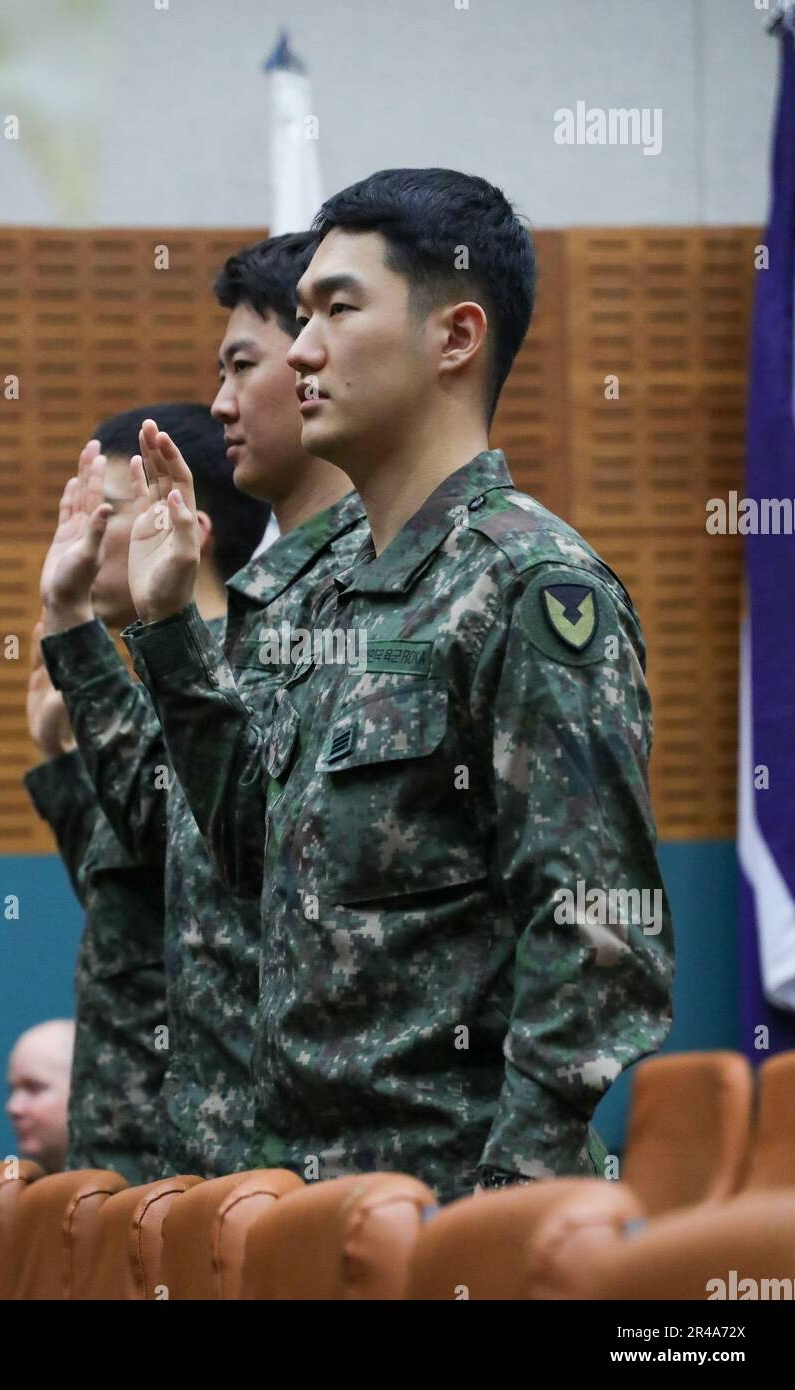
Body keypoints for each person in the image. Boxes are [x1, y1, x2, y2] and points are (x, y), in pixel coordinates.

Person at [122, 168, 675, 1200]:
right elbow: (251, 854)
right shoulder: (325, 590)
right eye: (301, 316)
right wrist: (165, 632)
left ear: (454, 337)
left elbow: (601, 938)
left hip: (442, 1220)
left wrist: (498, 1215)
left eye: (337, 308)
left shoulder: (527, 586)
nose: (301, 350)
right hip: (302, 1207)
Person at [38, 233, 366, 1178]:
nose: (223, 401)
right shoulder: (266, 614)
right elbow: (170, 854)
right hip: (218, 1158)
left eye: (242, 366)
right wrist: (75, 633)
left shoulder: (400, 595)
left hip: (340, 1172)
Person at [26, 403, 268, 1183]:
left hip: (204, 1160)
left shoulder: (246, 678)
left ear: (181, 522)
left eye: (108, 513)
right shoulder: (158, 687)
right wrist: (64, 769)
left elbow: (200, 859)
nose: (85, 537)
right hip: (139, 1153)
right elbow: (131, 905)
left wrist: (72, 631)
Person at [5, 1019, 76, 1174]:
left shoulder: (132, 1193)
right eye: (12, 1090)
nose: (13, 1107)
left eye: (34, 1088)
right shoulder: (12, 1188)